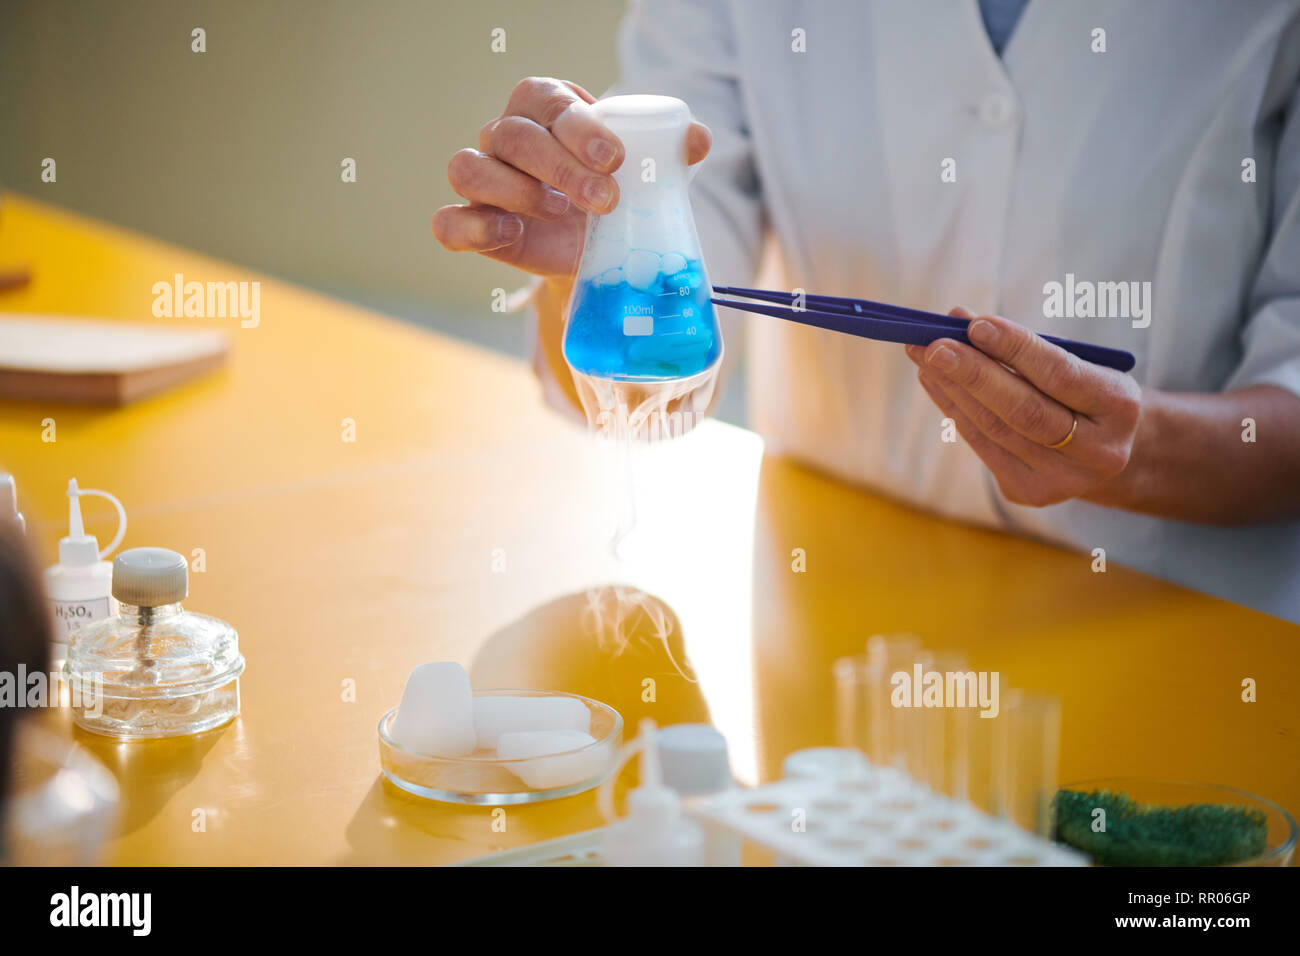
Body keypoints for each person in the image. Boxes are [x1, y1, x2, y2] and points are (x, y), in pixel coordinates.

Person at [433, 0, 1300, 623]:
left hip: (1180, 632)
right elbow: (667, 384)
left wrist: (1137, 450)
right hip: (834, 624)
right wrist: (587, 258)